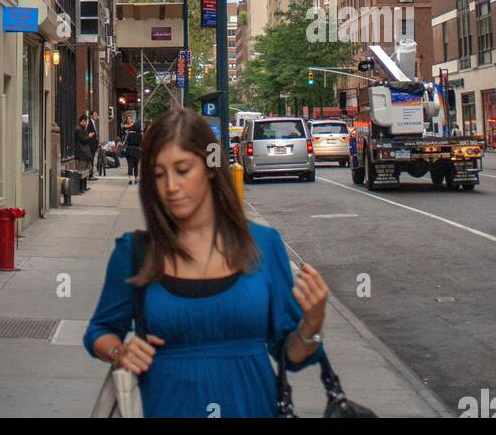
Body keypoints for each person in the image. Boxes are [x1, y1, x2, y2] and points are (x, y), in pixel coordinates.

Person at [84, 108, 329, 418]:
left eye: (183, 169)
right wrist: (119, 351)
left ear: (211, 166)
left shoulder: (264, 245)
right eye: (159, 174)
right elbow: (99, 331)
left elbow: (291, 355)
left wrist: (311, 324)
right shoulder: (135, 253)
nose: (171, 186)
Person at [122, 115, 143, 184]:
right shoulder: (124, 127)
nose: (129, 120)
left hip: (132, 148)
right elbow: (122, 137)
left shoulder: (133, 130)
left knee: (133, 164)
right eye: (128, 119)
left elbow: (124, 139)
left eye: (130, 119)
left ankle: (134, 178)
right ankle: (133, 178)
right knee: (133, 164)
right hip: (132, 148)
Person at [74, 113, 93, 181]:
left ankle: (83, 185)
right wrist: (89, 136)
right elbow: (83, 139)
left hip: (83, 152)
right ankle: (80, 186)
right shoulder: (79, 129)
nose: (86, 124)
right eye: (86, 122)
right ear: (82, 121)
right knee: (82, 171)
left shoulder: (81, 128)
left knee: (85, 170)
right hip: (82, 152)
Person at [90, 110, 106, 177]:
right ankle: (90, 174)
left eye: (97, 115)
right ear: (91, 116)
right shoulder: (89, 123)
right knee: (91, 159)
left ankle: (91, 174)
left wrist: (98, 142)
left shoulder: (94, 122)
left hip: (94, 144)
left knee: (92, 159)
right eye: (95, 115)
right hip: (91, 145)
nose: (97, 116)